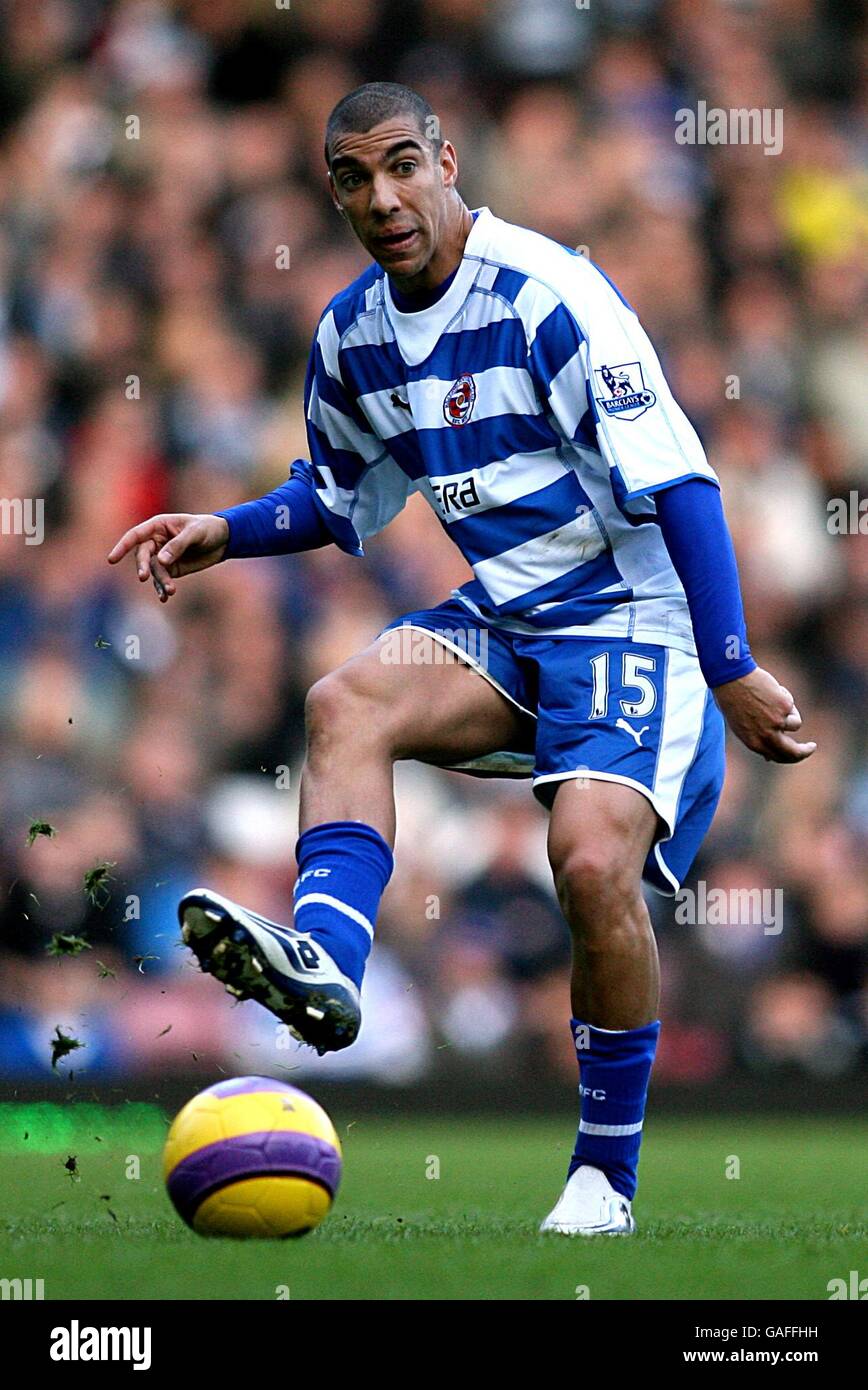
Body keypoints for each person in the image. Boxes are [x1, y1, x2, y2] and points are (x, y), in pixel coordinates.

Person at [108, 82, 815, 1236]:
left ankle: (603, 1178)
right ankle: (330, 964)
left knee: (589, 866)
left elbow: (680, 479)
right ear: (332, 191)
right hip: (510, 617)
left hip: (634, 617)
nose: (381, 197)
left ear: (444, 159)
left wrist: (730, 661)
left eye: (400, 165)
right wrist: (226, 529)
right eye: (351, 178)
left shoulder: (551, 294)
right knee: (345, 700)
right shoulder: (350, 335)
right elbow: (334, 501)